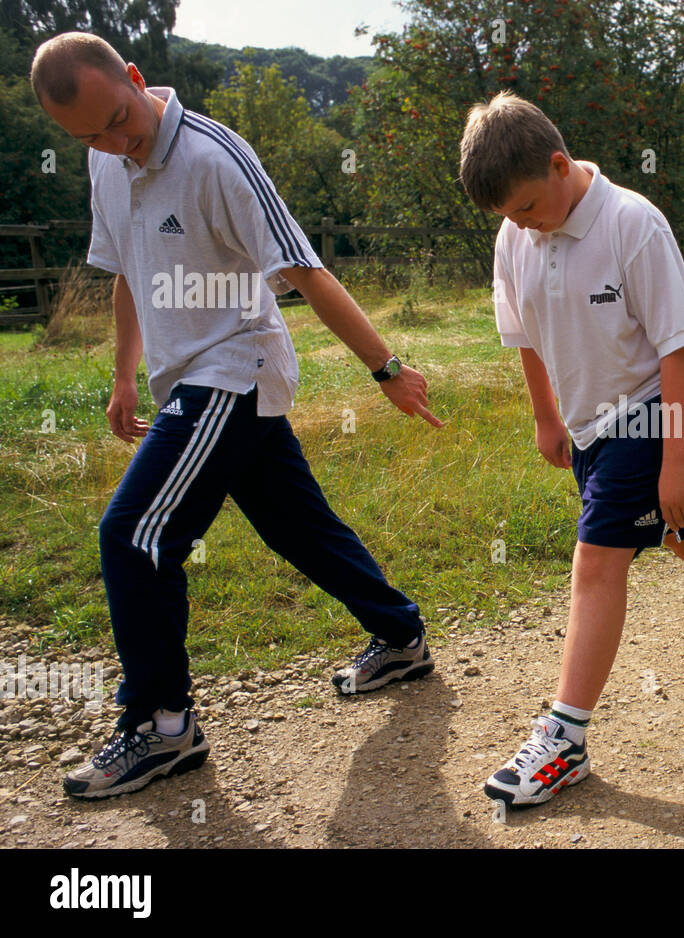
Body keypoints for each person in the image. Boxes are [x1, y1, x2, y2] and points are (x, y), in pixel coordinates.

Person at [31, 32, 442, 800]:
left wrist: (386, 368)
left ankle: (163, 725)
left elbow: (305, 267)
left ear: (135, 77)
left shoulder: (215, 158)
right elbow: (124, 270)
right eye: (90, 135)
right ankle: (400, 634)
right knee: (297, 526)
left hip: (233, 367)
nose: (115, 141)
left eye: (119, 118)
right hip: (186, 377)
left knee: (135, 534)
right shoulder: (104, 159)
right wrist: (124, 373)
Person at [459, 92, 684, 807]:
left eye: (525, 207)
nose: (520, 224)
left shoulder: (632, 223)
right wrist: (546, 417)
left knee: (598, 562)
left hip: (653, 411)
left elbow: (679, 347)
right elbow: (523, 337)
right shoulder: (515, 238)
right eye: (507, 216)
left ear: (558, 165)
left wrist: (677, 457)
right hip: (587, 425)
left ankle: (565, 740)